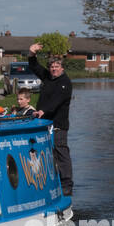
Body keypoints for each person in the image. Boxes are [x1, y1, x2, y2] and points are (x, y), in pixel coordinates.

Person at [28, 42, 73, 196]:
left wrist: (43, 110)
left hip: (58, 125)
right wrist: (32, 54)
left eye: (57, 67)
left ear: (62, 68)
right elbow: (35, 67)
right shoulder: (48, 77)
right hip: (44, 124)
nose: (54, 69)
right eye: (52, 67)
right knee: (47, 152)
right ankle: (51, 180)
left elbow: (57, 101)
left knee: (61, 152)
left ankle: (67, 184)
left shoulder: (65, 83)